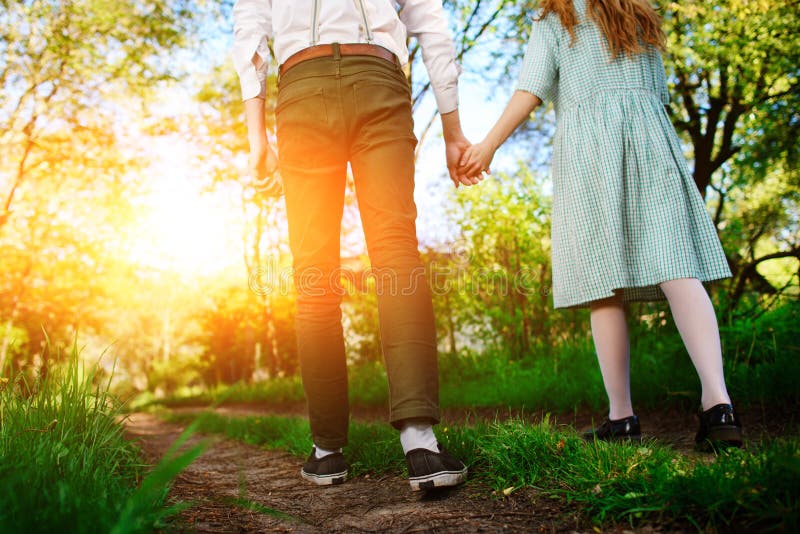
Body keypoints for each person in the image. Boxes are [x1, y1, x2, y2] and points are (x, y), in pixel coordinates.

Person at [459, 0, 743, 450]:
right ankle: (718, 404)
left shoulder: (556, 16)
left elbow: (530, 89)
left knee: (602, 280)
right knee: (676, 264)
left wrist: (487, 146)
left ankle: (622, 417)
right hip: (650, 134)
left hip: (589, 145)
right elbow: (658, 91)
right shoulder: (641, 10)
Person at [233, 0, 478, 489]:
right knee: (396, 255)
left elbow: (251, 32)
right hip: (378, 80)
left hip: (301, 88)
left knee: (314, 272)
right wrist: (453, 130)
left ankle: (327, 450)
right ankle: (420, 443)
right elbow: (432, 26)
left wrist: (256, 135)